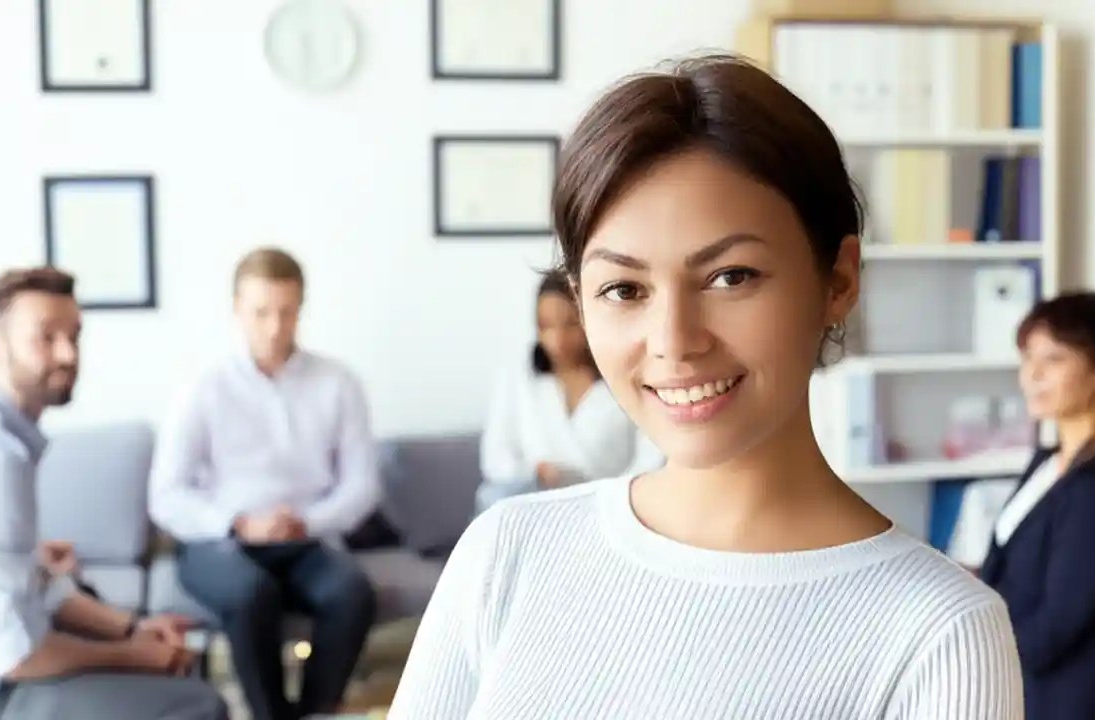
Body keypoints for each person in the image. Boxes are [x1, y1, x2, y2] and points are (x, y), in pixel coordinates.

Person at [390, 54, 1022, 719]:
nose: (674, 340)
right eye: (623, 289)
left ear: (838, 280)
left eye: (731, 277)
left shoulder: (939, 633)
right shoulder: (506, 552)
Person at [0, 267, 227, 720]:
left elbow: (37, 588)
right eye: (46, 337)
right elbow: (18, 656)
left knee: (170, 675)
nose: (68, 353)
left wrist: (133, 629)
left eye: (74, 336)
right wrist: (134, 655)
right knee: (200, 706)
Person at [150, 247, 379, 720]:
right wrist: (240, 524)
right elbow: (166, 495)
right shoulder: (202, 387)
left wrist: (306, 522)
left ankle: (315, 712)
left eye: (286, 312)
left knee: (353, 592)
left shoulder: (338, 383)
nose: (275, 328)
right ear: (237, 308)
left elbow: (362, 486)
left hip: (306, 539)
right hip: (221, 542)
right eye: (261, 313)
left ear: (301, 308)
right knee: (252, 593)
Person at [980, 292, 1095, 719]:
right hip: (1024, 692)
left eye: (1053, 359)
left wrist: (967, 639)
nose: (1031, 375)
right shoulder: (1049, 463)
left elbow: (1052, 631)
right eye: (1027, 357)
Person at [476, 271, 662, 511]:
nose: (558, 340)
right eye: (545, 326)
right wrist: (535, 472)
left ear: (589, 320)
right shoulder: (519, 376)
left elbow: (651, 455)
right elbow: (496, 456)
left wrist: (614, 497)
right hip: (534, 503)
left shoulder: (625, 375)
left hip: (609, 507)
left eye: (570, 324)